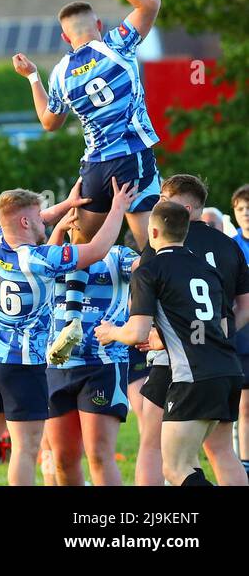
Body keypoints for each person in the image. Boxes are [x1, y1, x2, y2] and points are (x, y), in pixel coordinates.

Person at [0, 180, 131, 486]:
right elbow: (97, 249)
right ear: (24, 221)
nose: (44, 219)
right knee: (25, 449)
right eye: (38, 216)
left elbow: (33, 221)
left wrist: (66, 205)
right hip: (23, 365)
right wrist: (117, 208)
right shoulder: (37, 260)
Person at [97, 200, 249, 486]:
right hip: (228, 371)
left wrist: (111, 332)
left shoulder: (150, 269)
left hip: (192, 376)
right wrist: (167, 340)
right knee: (195, 461)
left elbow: (137, 332)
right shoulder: (207, 268)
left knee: (175, 469)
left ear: (153, 233)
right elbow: (220, 324)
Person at [12, 0, 162, 248]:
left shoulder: (59, 74)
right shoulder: (117, 45)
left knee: (78, 246)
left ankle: (71, 293)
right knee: (153, 247)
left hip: (95, 167)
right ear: (100, 25)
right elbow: (151, 2)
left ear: (65, 38)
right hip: (132, 156)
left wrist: (32, 76)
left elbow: (49, 123)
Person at [42, 208, 138, 486]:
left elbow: (145, 270)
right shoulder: (55, 254)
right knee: (62, 459)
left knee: (98, 455)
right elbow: (40, 272)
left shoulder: (118, 255)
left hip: (102, 365)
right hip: (57, 366)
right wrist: (58, 230)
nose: (82, 219)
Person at [232, 183, 249, 470]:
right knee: (244, 405)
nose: (246, 213)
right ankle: (245, 462)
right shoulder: (229, 245)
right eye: (241, 209)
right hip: (242, 332)